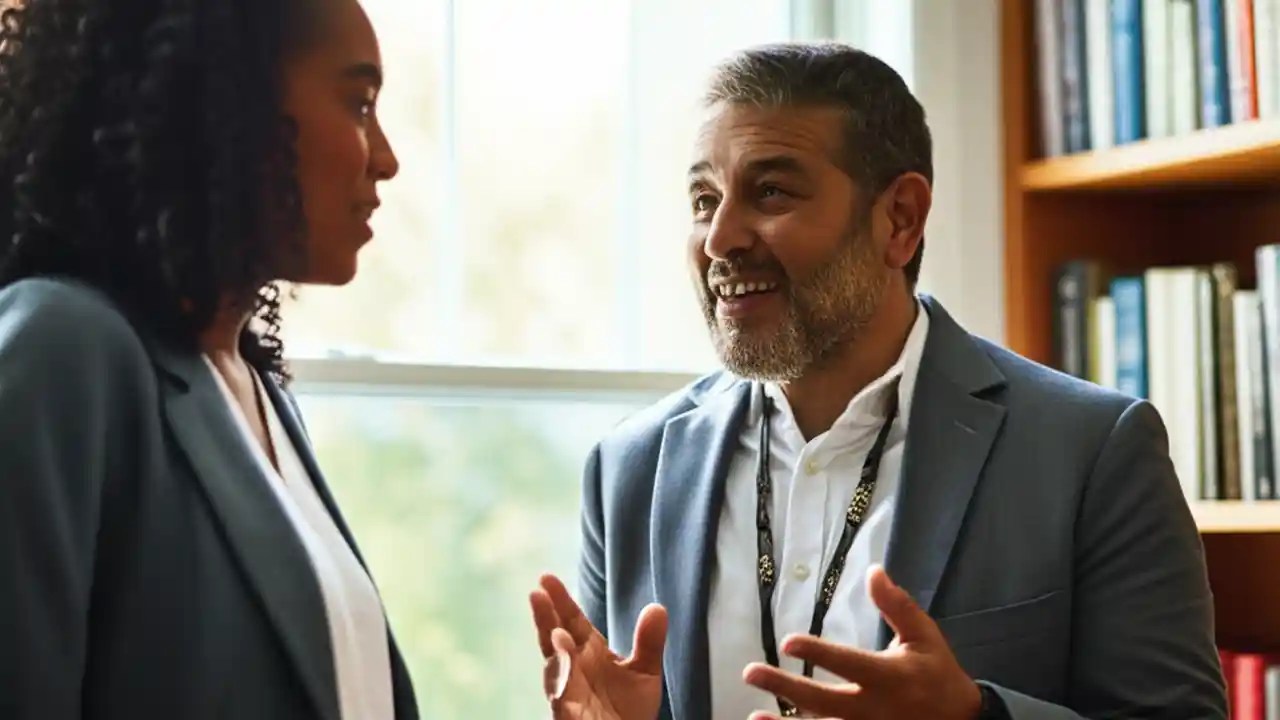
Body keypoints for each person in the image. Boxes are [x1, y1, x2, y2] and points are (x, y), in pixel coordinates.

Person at [530, 42, 1227, 719]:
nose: (720, 240)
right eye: (704, 200)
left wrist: (971, 717)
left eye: (769, 191)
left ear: (900, 219)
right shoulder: (629, 470)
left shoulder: (1092, 451)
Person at [0, 0, 413, 718]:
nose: (385, 156)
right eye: (359, 102)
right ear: (232, 105)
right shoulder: (63, 350)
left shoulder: (254, 392)